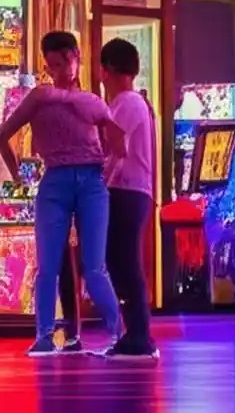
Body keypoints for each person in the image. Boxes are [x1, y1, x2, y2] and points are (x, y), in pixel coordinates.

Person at [0, 31, 126, 356]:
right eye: (52, 64)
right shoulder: (39, 98)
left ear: (77, 57)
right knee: (47, 266)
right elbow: (4, 134)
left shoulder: (89, 102)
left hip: (90, 181)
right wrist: (18, 176)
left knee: (95, 266)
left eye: (64, 62)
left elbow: (117, 143)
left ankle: (119, 333)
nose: (59, 70)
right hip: (54, 180)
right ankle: (43, 336)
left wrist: (106, 174)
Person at [97, 38, 159, 360]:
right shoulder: (135, 102)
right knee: (120, 263)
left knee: (125, 264)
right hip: (133, 191)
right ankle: (135, 335)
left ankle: (139, 336)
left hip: (126, 190)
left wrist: (100, 183)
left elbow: (114, 150)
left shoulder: (127, 102)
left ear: (106, 69)